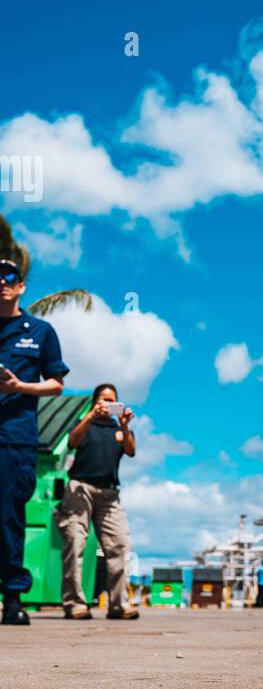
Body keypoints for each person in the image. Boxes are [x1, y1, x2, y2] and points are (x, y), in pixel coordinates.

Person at [0, 257, 69, 625]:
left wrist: (19, 387)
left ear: (21, 285)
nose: (2, 282)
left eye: (9, 276)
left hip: (14, 438)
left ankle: (12, 600)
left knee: (9, 517)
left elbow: (56, 384)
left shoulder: (40, 331)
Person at [56, 383, 138, 620]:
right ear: (94, 402)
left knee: (120, 546)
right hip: (80, 489)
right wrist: (91, 416)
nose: (106, 403)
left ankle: (118, 604)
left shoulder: (119, 429)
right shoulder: (85, 424)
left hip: (109, 493)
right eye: (102, 399)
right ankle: (75, 603)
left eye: (111, 400)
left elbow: (130, 451)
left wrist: (124, 424)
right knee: (75, 543)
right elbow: (73, 441)